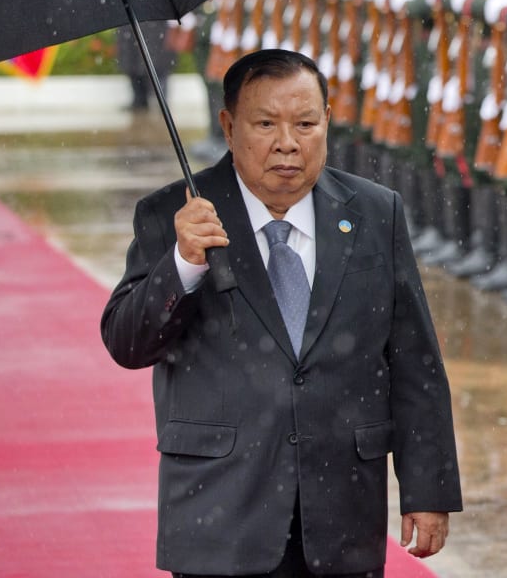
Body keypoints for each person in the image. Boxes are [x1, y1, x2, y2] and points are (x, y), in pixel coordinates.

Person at [100, 49, 462, 578]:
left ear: (328, 123)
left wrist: (428, 489)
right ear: (228, 126)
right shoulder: (172, 215)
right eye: (265, 124)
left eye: (305, 123)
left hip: (342, 514)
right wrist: (181, 264)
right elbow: (127, 343)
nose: (287, 143)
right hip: (220, 516)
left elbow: (414, 362)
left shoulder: (373, 212)